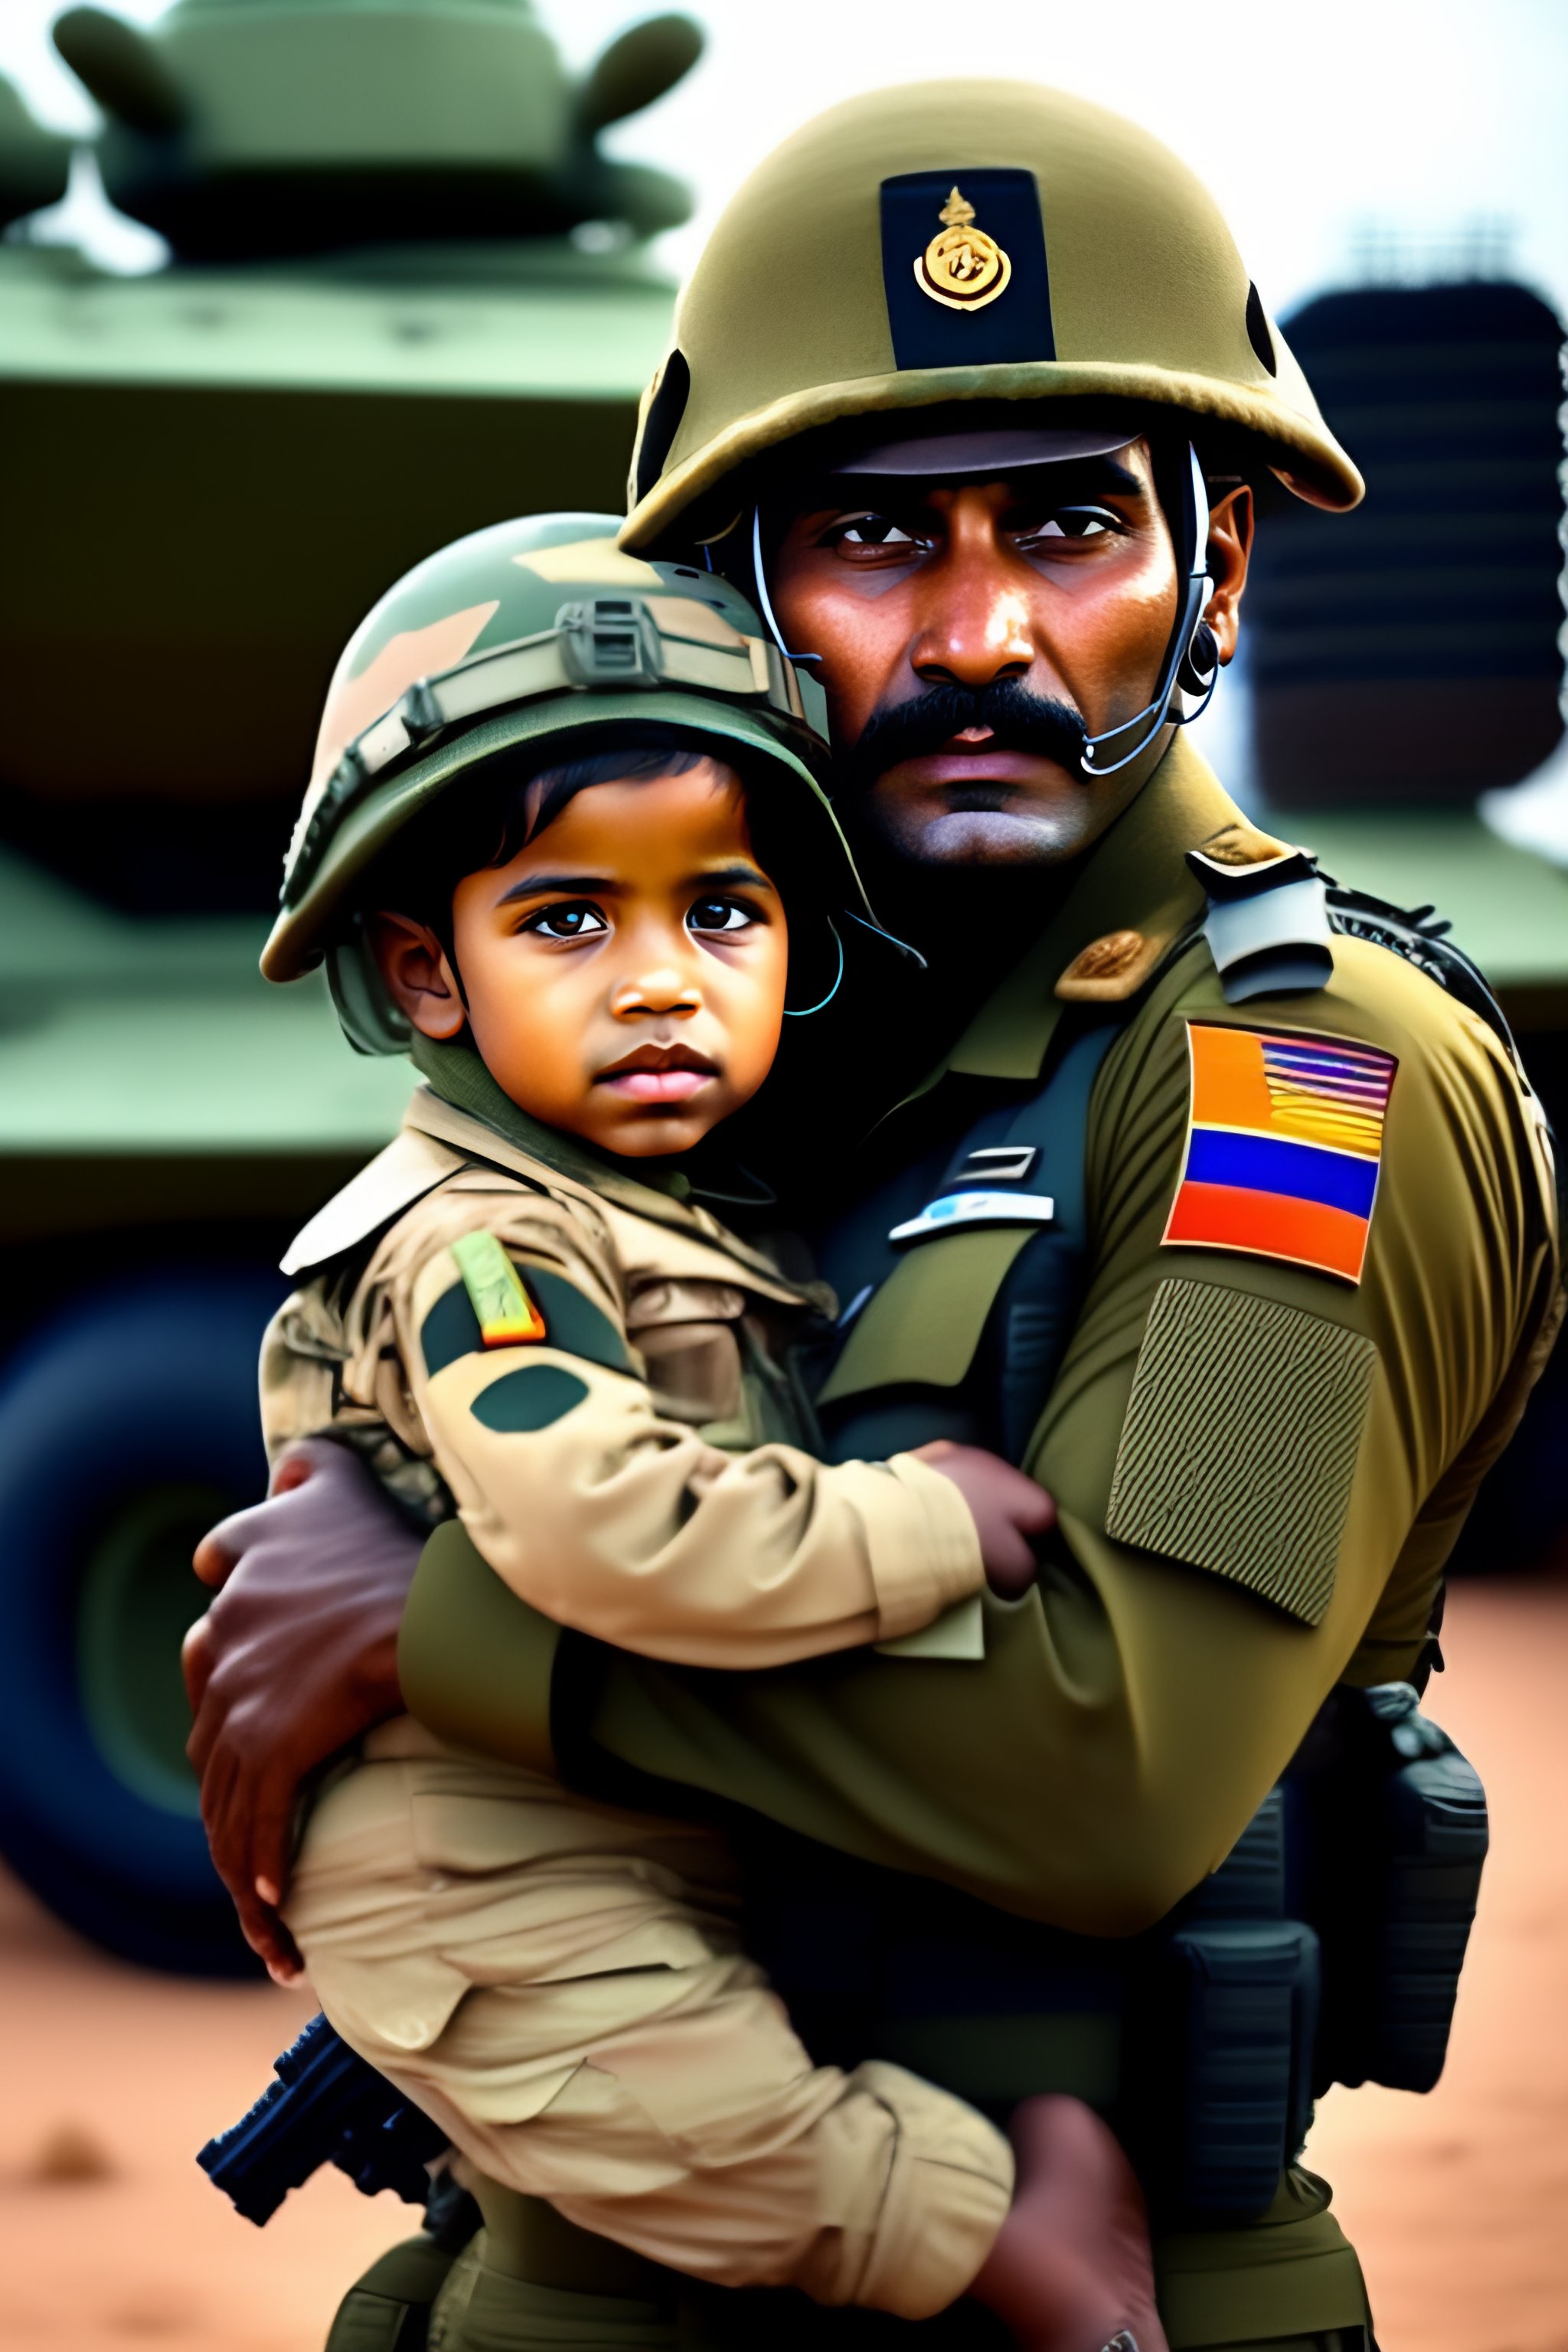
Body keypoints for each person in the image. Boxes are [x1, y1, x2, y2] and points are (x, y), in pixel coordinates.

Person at [186, 82, 1563, 2352]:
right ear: (729, 587)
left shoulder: (1303, 1076)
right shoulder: (755, 1036)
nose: (986, 630)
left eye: (1068, 528)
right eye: (872, 538)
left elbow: (1120, 1762)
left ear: (1216, 571)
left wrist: (448, 1628)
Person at [251, 508, 1165, 2352]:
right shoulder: (487, 1239)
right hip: (487, 1877)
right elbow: (595, 1525)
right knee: (734, 2143)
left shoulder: (682, 1202)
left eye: (723, 910)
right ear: (428, 975)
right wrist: (915, 1527)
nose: (661, 977)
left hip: (633, 1830)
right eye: (567, 918)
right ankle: (1009, 2241)